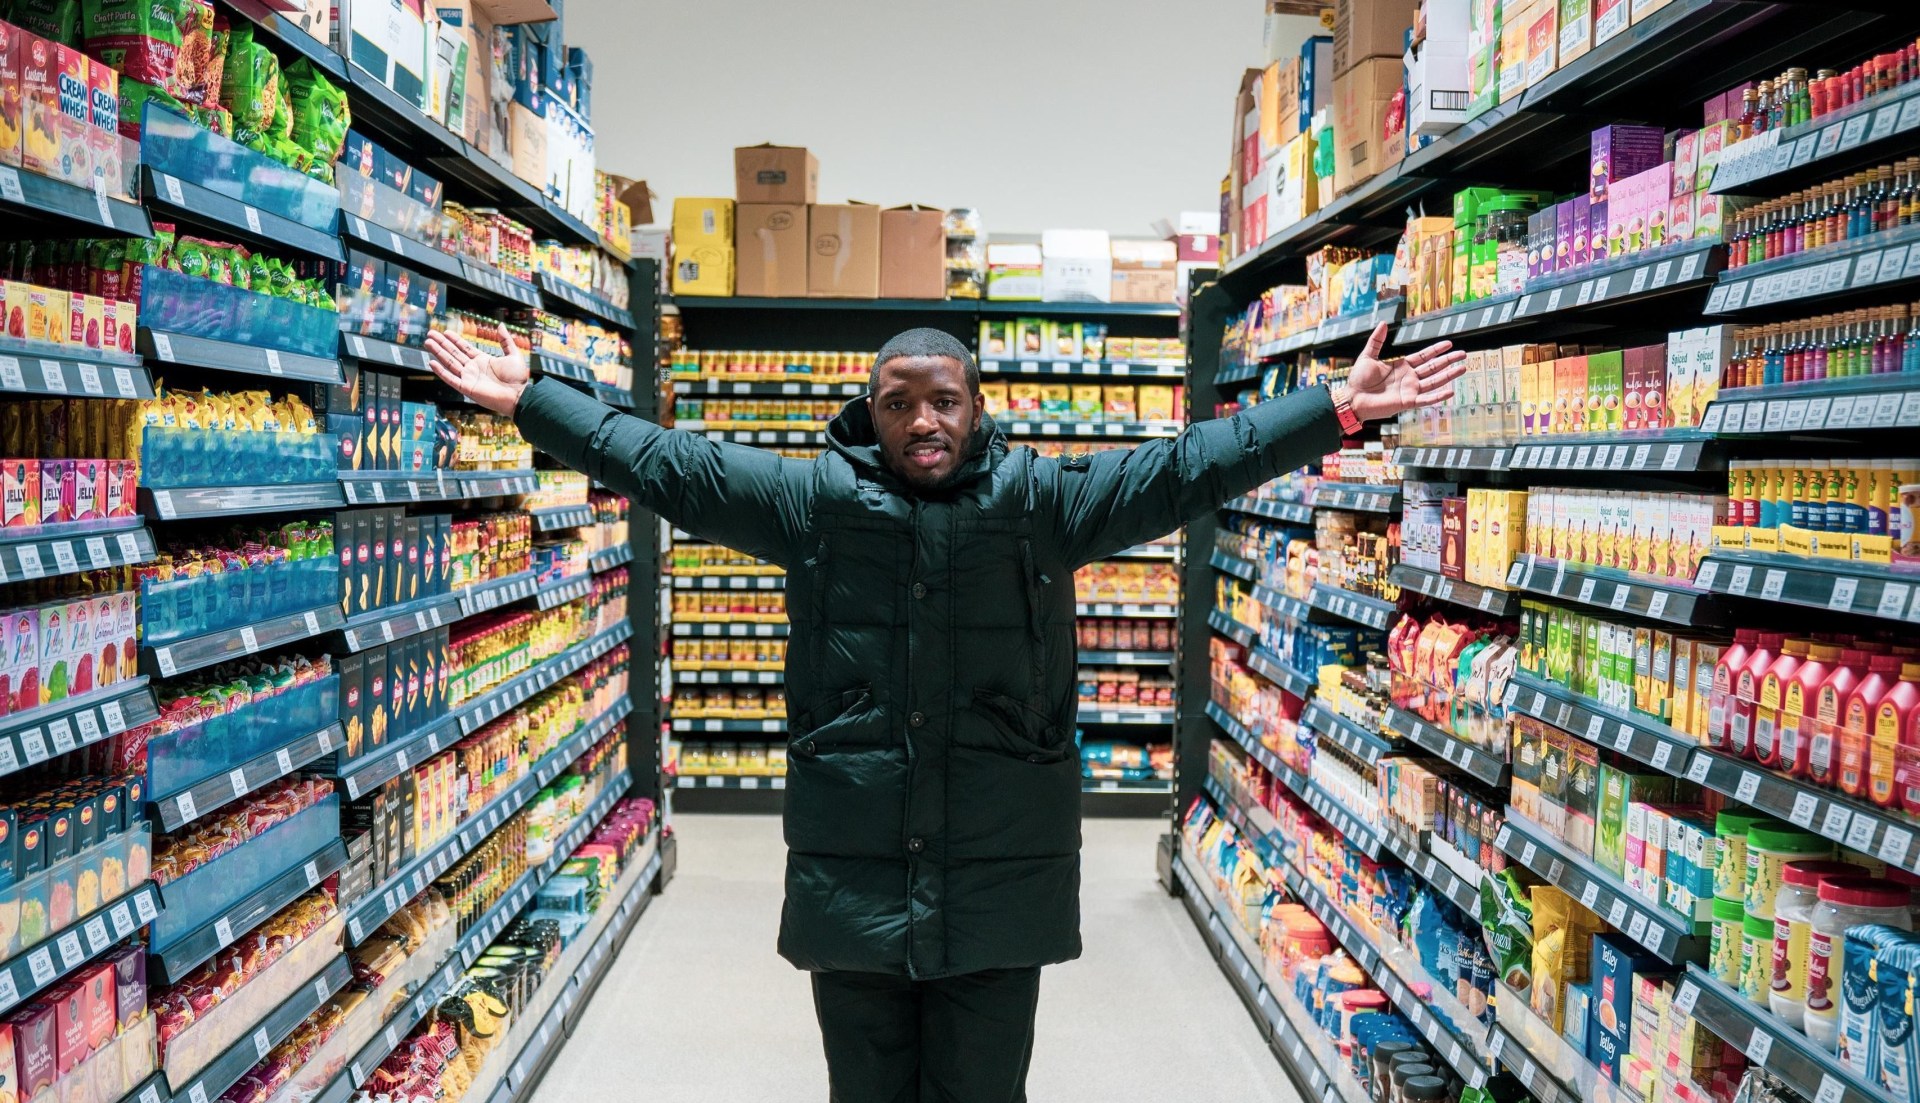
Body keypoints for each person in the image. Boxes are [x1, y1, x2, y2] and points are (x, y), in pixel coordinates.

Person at [426, 322, 1464, 1103]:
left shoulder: (1041, 504)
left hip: (1001, 879)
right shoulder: (813, 506)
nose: (925, 420)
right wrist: (534, 402)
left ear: (978, 405)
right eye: (899, 402)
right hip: (856, 877)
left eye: (945, 400)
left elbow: (1189, 465)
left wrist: (1333, 404)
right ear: (868, 411)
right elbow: (667, 464)